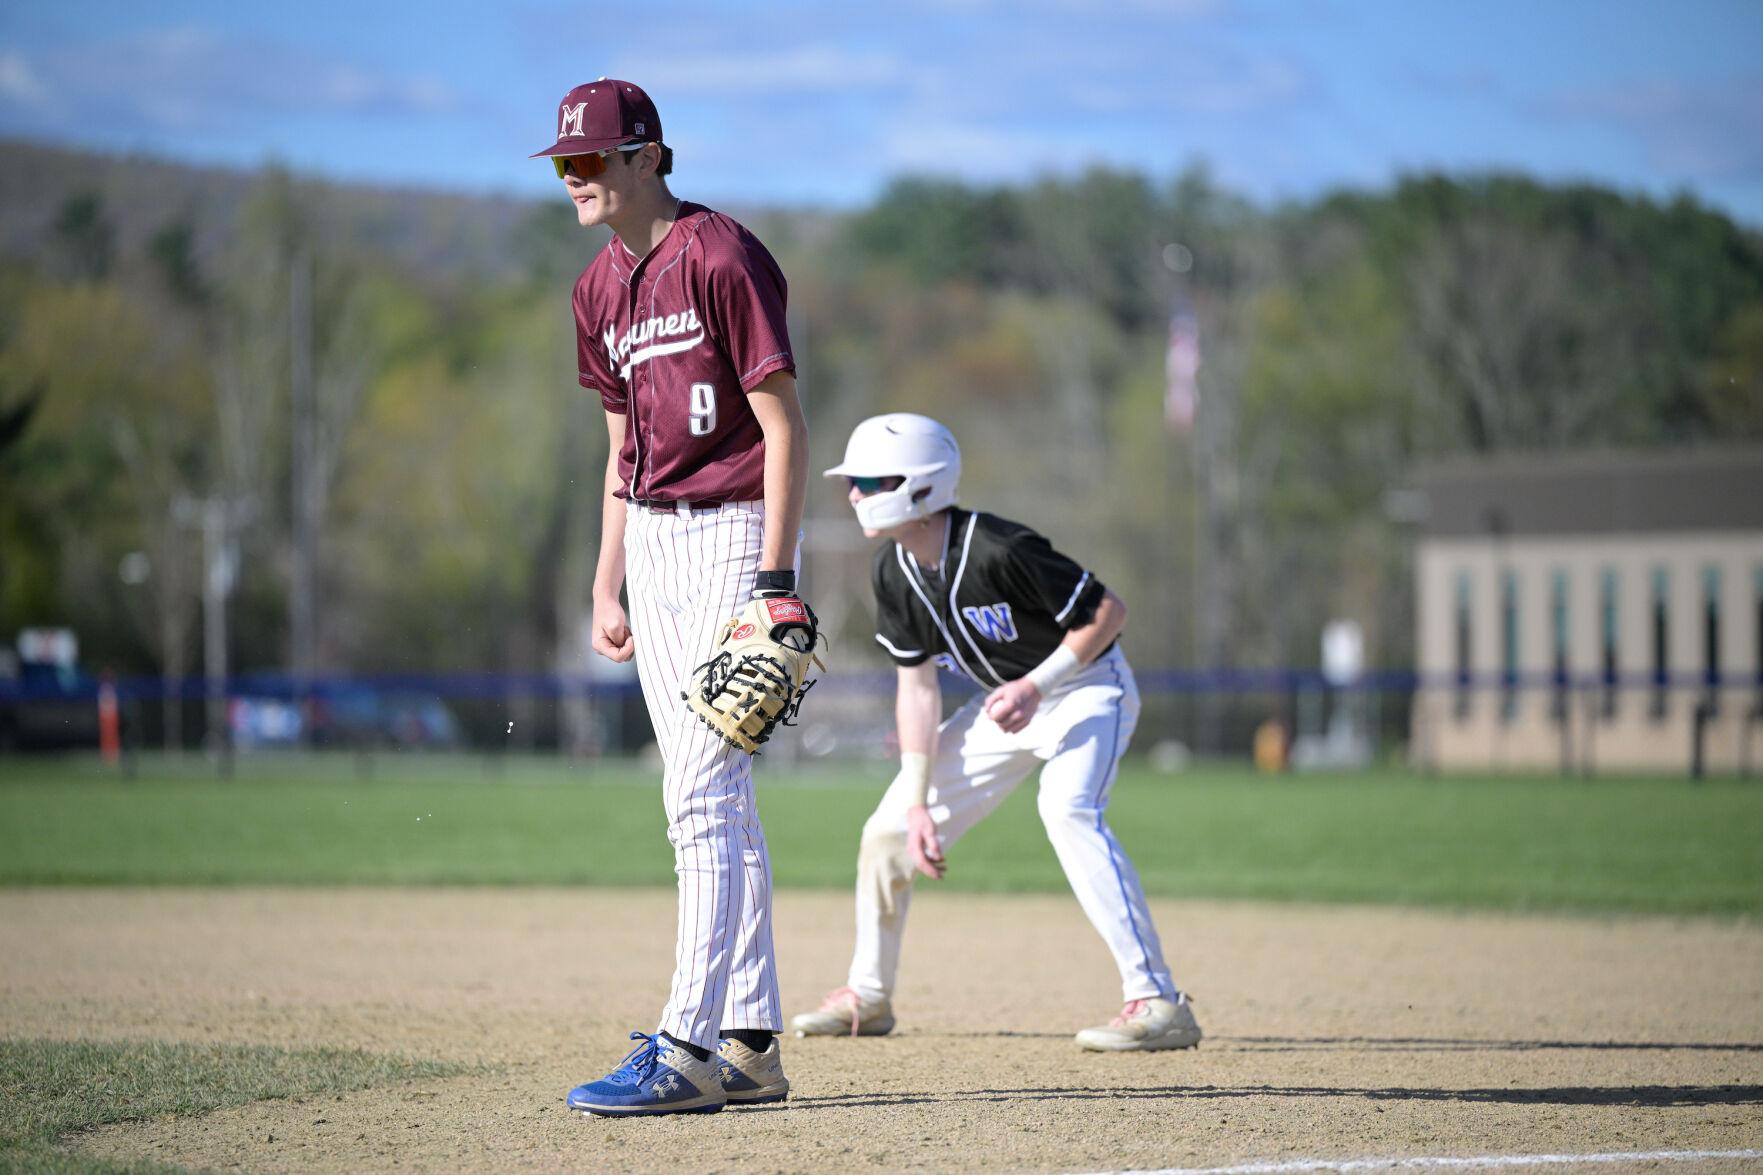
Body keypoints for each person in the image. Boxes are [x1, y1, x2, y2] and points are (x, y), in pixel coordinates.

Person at [533, 79, 809, 1116]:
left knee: (698, 793)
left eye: (591, 159)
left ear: (648, 156)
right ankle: (747, 1037)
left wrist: (773, 580)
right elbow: (617, 450)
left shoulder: (721, 256)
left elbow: (782, 425)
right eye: (564, 163)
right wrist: (606, 579)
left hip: (733, 528)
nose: (575, 178)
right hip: (649, 541)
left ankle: (687, 1045)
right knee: (709, 796)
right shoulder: (596, 289)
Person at [793, 413, 1202, 1052]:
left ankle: (1157, 1000)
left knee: (1067, 809)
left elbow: (1107, 612)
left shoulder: (999, 549)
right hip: (1005, 707)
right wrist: (920, 801)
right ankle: (868, 997)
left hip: (1087, 688)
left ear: (919, 485)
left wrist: (1038, 685)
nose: (853, 495)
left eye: (869, 481)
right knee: (889, 830)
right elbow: (917, 689)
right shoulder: (892, 572)